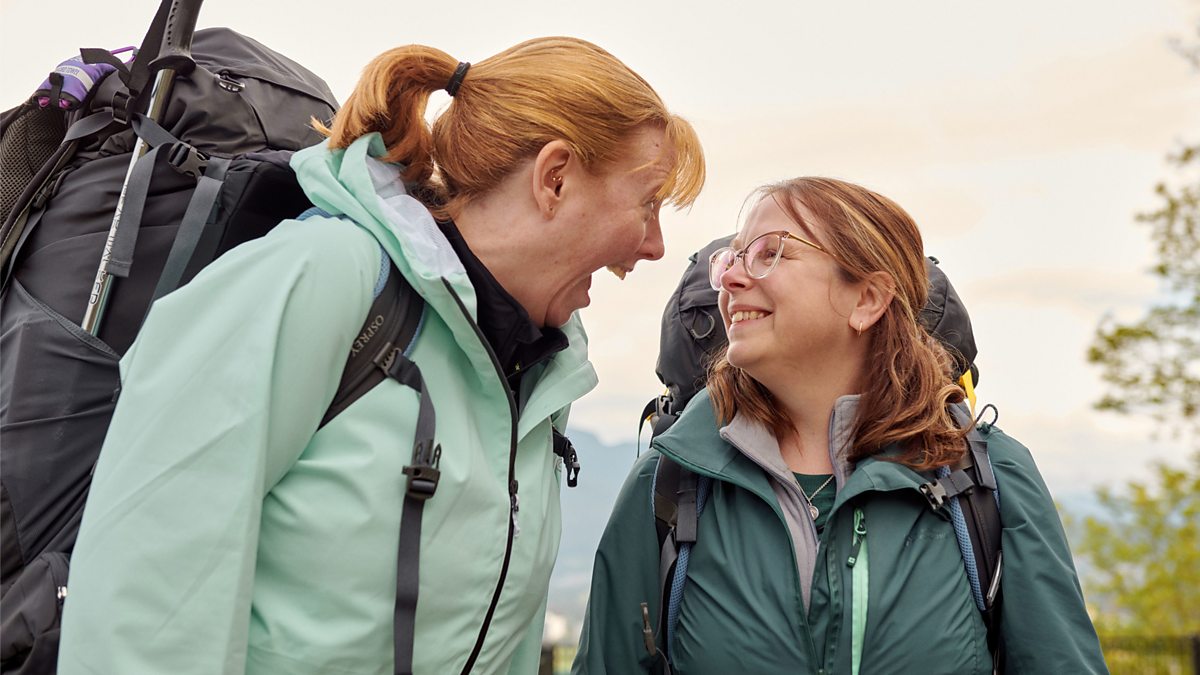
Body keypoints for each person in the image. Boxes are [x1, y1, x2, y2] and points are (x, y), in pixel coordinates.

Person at [57, 37, 704, 675]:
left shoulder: (539, 376)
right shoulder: (321, 279)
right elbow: (145, 604)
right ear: (555, 177)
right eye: (646, 203)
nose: (653, 245)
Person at [573, 177, 1107, 674]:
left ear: (867, 299)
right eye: (731, 259)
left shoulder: (987, 480)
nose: (732, 278)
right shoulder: (668, 483)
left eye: (769, 254)